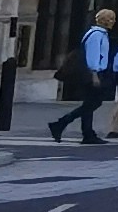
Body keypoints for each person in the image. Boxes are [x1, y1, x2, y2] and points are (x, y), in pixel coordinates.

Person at [46, 9, 114, 144]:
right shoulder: (96, 35)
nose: (113, 21)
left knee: (89, 103)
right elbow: (93, 55)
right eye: (110, 18)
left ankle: (87, 133)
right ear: (102, 20)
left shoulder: (100, 34)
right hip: (91, 72)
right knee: (93, 103)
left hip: (93, 72)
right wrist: (94, 73)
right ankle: (62, 123)